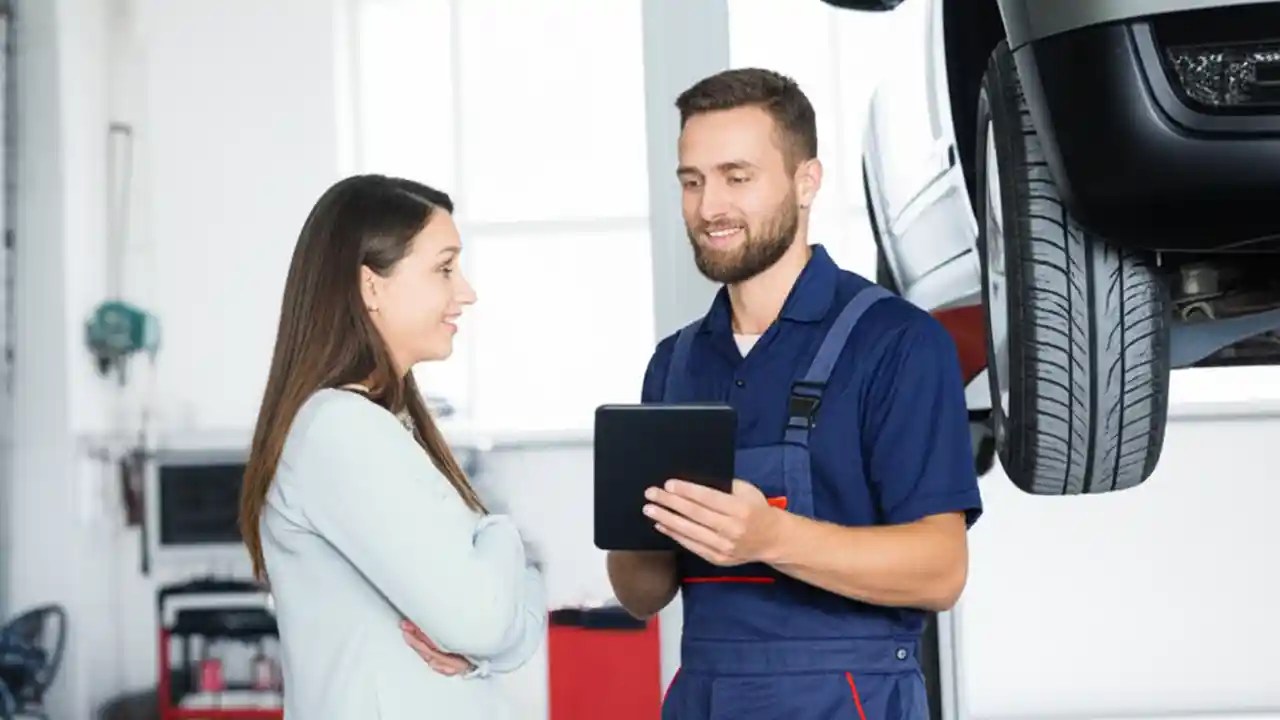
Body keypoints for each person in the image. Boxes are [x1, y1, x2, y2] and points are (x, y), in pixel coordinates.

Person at [606, 68, 983, 719]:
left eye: (737, 177)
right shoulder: (675, 364)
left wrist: (768, 536)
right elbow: (643, 592)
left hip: (850, 698)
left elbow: (941, 570)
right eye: (692, 182)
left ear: (806, 181)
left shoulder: (896, 343)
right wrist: (636, 527)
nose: (709, 206)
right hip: (703, 694)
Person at [239, 174, 545, 719]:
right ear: (371, 286)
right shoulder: (340, 432)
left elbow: (501, 632)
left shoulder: (379, 425)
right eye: (444, 268)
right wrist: (499, 530)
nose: (466, 291)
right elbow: (485, 618)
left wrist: (486, 639)